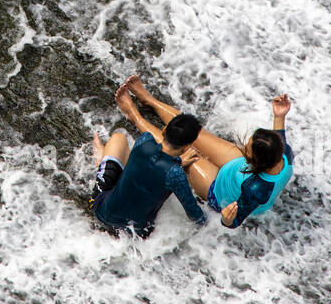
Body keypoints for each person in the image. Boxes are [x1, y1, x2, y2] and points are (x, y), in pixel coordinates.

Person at [119, 76, 293, 228]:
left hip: (218, 190)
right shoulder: (283, 152)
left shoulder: (256, 190)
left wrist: (226, 218)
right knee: (194, 133)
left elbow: (234, 221)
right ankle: (149, 100)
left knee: (182, 148)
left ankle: (134, 115)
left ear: (255, 162)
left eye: (246, 149)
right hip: (236, 170)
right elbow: (279, 137)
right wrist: (279, 116)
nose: (243, 146)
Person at [89, 81, 207, 237]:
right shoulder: (175, 174)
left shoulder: (145, 140)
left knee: (118, 139)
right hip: (135, 233)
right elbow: (194, 214)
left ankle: (102, 161)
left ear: (164, 130)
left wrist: (176, 162)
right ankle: (101, 160)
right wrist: (211, 222)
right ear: (188, 145)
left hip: (101, 211)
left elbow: (147, 166)